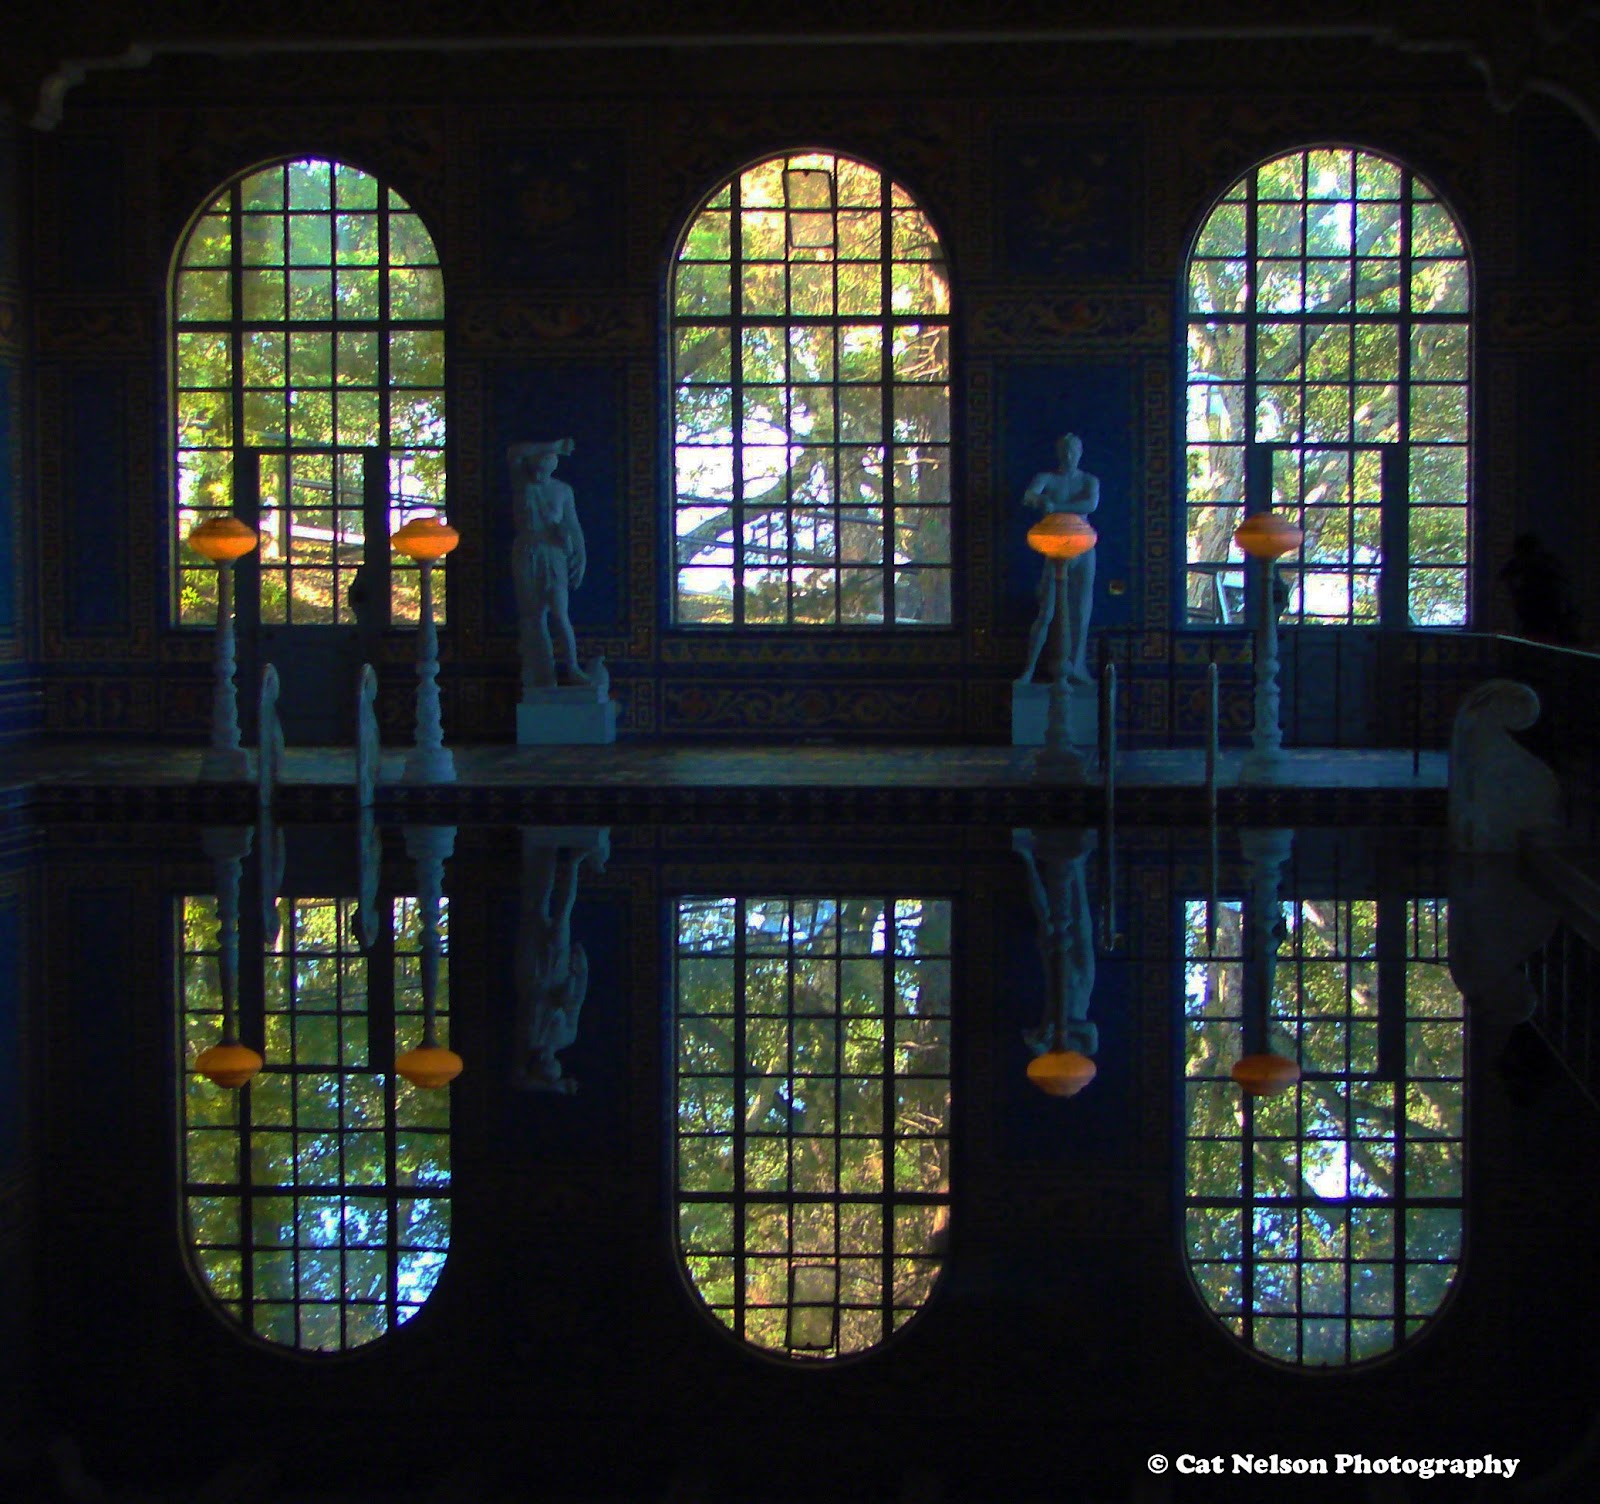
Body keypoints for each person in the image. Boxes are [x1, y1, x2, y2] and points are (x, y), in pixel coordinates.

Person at [507, 437, 589, 691]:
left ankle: (572, 667)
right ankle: (544, 674)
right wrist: (554, 445)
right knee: (534, 617)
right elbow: (514, 450)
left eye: (545, 468)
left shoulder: (563, 490)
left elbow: (573, 525)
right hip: (527, 551)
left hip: (553, 554)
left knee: (560, 613)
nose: (540, 473)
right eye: (537, 468)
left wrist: (581, 557)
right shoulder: (523, 485)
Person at [1019, 432, 1099, 684]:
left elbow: (1090, 505)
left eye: (1074, 451)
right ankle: (1029, 670)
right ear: (1059, 454)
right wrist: (1041, 499)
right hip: (1054, 548)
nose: (1069, 456)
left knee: (1081, 611)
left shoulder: (1089, 480)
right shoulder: (1048, 478)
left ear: (1080, 453)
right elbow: (1028, 496)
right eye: (1065, 451)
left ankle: (1077, 666)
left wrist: (1057, 507)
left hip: (1084, 548)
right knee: (1047, 611)